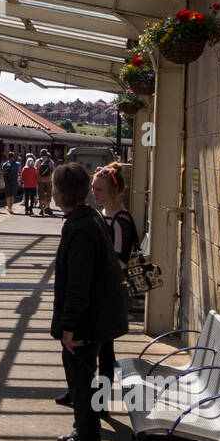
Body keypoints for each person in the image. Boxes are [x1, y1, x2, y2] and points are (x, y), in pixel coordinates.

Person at [47, 163, 129, 441]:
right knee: (81, 376)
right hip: (93, 317)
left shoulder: (80, 228)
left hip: (86, 322)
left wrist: (68, 327)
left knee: (80, 378)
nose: (52, 191)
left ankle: (85, 436)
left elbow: (78, 285)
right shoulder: (86, 219)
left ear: (61, 193)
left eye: (55, 186)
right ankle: (84, 428)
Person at [92, 162, 138, 385]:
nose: (94, 193)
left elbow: (120, 261)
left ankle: (99, 401)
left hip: (108, 291)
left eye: (99, 189)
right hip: (100, 289)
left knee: (104, 349)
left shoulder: (120, 221)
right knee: (99, 346)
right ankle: (84, 393)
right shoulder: (103, 214)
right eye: (93, 188)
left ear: (114, 191)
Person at [36, 149, 55, 217]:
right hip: (49, 180)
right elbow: (53, 171)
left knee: (41, 195)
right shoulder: (50, 161)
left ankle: (41, 209)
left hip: (40, 181)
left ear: (41, 154)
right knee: (48, 194)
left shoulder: (38, 161)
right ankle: (47, 207)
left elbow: (36, 171)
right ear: (46, 154)